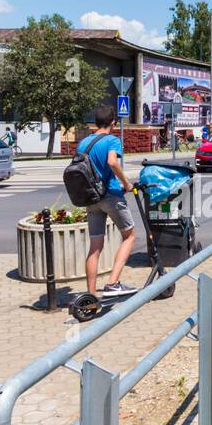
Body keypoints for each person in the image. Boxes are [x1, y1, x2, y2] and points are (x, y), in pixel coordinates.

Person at [81, 103, 138, 297]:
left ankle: (91, 293)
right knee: (129, 236)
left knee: (95, 247)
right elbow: (112, 162)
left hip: (91, 197)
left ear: (96, 122)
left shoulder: (84, 143)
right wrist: (126, 183)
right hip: (111, 195)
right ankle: (113, 283)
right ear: (112, 122)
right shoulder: (111, 140)